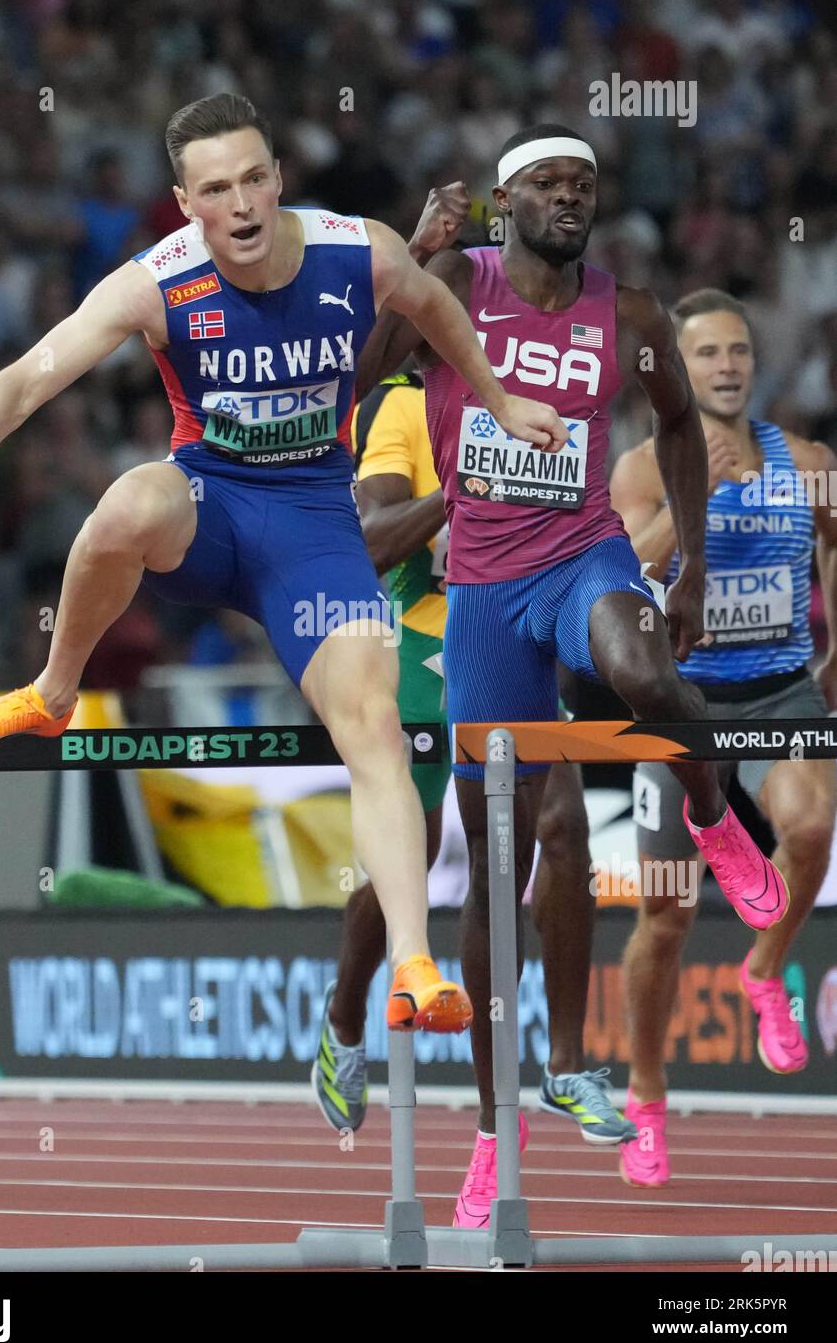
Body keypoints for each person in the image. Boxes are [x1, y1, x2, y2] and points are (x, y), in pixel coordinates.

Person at [0, 94, 568, 1037]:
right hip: (206, 507)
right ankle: (50, 692)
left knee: (371, 723)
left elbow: (434, 301)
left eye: (253, 178)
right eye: (215, 189)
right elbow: (32, 378)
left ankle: (413, 964)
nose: (240, 204)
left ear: (277, 177)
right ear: (184, 202)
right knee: (128, 499)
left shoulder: (355, 248)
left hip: (314, 528)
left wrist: (495, 399)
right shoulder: (158, 283)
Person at [353, 123, 789, 1227]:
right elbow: (355, 383)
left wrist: (685, 567)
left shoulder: (631, 315)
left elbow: (680, 428)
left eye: (583, 184)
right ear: (504, 199)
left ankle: (713, 819)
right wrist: (409, 254)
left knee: (646, 670)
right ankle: (498, 1132)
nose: (569, 196)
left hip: (583, 553)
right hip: (483, 595)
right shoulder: (455, 279)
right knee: (501, 856)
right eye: (547, 181)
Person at [312, 197, 636, 1182]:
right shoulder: (404, 410)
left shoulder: (539, 384)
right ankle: (341, 1014)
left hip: (512, 633)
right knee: (402, 861)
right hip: (415, 648)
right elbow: (365, 542)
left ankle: (566, 1063)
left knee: (564, 832)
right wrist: (453, 503)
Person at [611, 288, 837, 1188]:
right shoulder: (639, 465)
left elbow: (835, 538)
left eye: (739, 352)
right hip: (678, 709)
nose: (729, 367)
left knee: (813, 824)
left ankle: (764, 969)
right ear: (677, 365)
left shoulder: (810, 459)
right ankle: (647, 1094)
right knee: (663, 916)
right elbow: (627, 570)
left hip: (782, 691)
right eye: (708, 354)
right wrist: (686, 492)